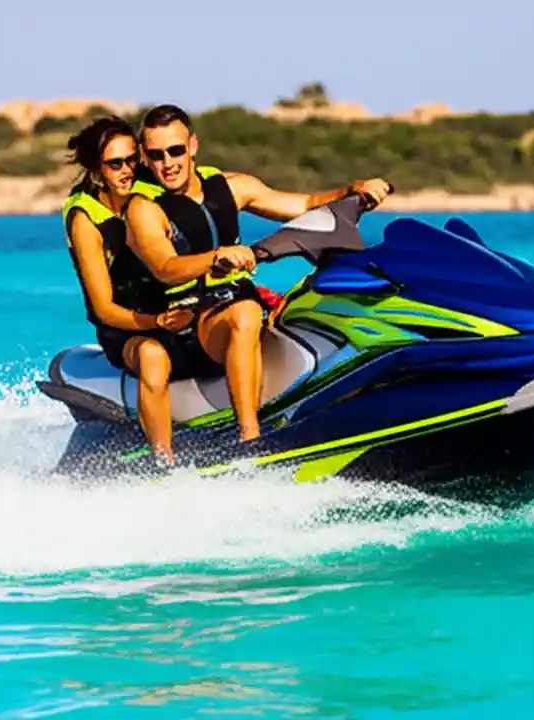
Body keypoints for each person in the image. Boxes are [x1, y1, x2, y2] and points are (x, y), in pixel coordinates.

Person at [125, 104, 392, 444]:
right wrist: (215, 257)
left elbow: (306, 203)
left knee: (311, 301)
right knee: (246, 314)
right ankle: (250, 437)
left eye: (175, 150)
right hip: (190, 322)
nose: (168, 163)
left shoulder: (232, 186)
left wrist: (354, 191)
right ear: (146, 158)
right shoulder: (144, 208)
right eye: (157, 155)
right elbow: (165, 267)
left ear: (192, 146)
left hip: (235, 301)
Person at [61, 115, 194, 465]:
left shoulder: (150, 192)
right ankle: (163, 460)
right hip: (127, 326)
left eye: (132, 159)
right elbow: (104, 308)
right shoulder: (85, 220)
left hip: (176, 311)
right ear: (95, 169)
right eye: (115, 163)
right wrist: (156, 322)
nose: (126, 170)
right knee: (152, 357)